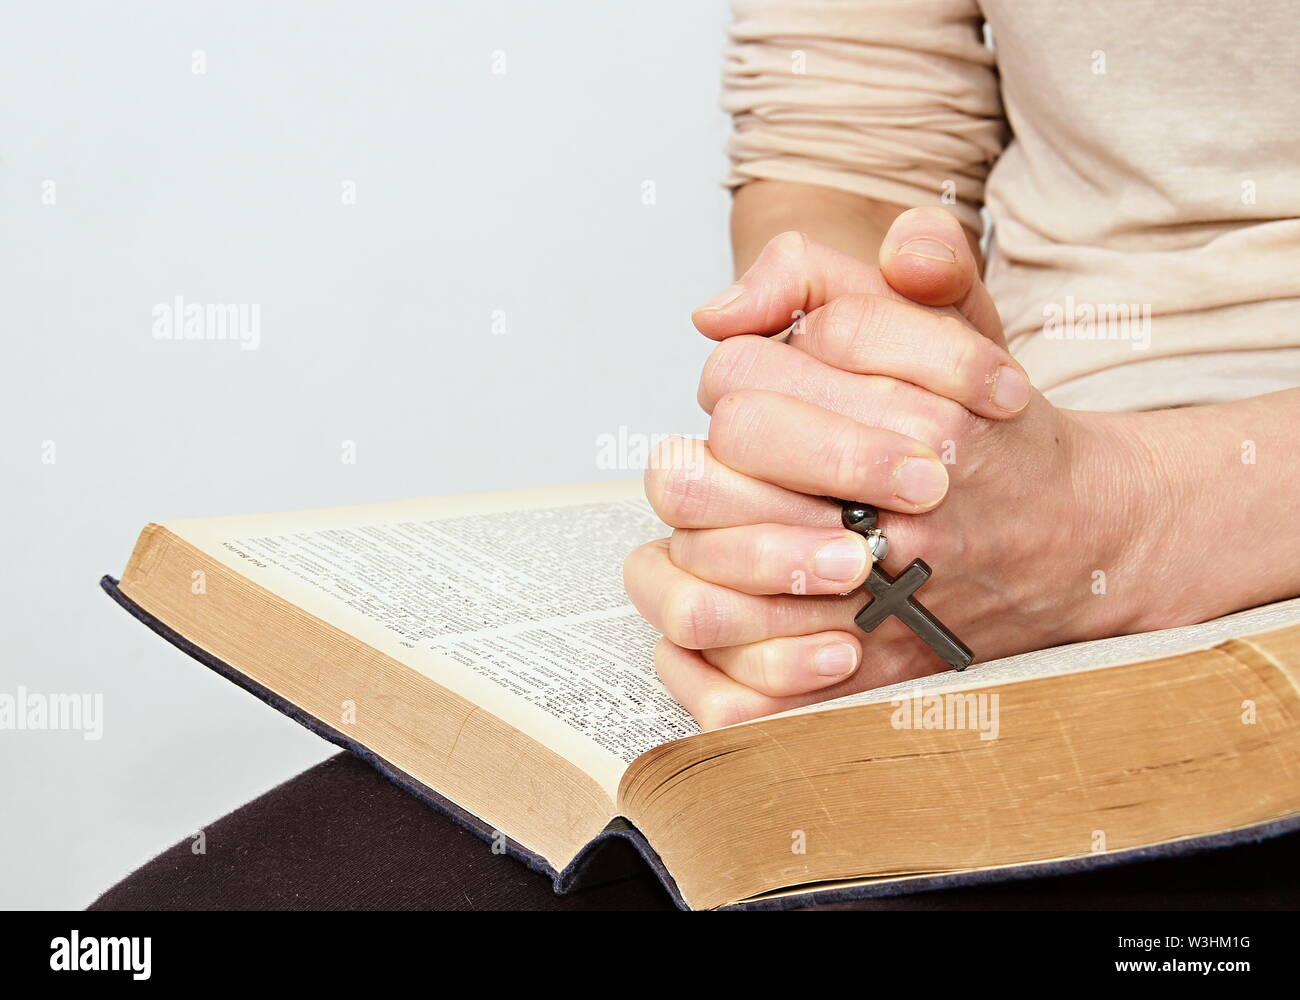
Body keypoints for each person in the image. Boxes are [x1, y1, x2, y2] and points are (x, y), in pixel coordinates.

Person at [624, 0, 1300, 729]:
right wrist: (871, 424)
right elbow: (851, 162)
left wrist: (1121, 529)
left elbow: (1100, 526)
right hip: (1042, 463)